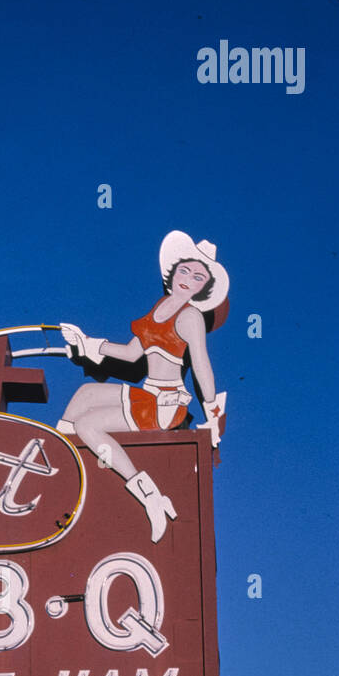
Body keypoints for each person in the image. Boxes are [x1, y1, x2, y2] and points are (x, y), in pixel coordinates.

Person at [57, 231, 228, 542]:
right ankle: (60, 464)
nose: (188, 279)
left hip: (166, 405)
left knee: (88, 424)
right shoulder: (159, 308)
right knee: (84, 395)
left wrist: (213, 412)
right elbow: (131, 353)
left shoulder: (190, 317)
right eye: (185, 271)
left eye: (199, 277)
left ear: (204, 289)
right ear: (173, 272)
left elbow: (202, 365)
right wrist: (86, 343)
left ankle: (150, 496)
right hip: (147, 394)